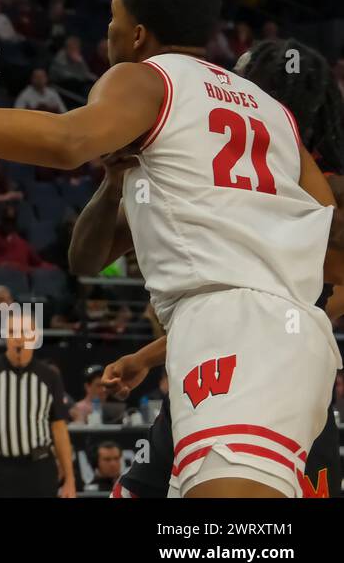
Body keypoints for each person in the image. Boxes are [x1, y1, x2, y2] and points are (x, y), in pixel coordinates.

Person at [0, 0, 344, 498]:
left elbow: (65, 141)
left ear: (138, 34)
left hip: (230, 327)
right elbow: (324, 219)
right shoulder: (273, 113)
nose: (108, 32)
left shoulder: (146, 78)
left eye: (114, 19)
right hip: (295, 337)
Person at [97, 38, 344, 500]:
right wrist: (147, 358)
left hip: (268, 381)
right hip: (232, 363)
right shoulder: (277, 180)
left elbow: (267, 310)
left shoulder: (305, 191)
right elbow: (251, 307)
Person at [0, 313, 75, 497]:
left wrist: (70, 479)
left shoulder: (49, 375)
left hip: (39, 468)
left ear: (35, 336)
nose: (18, 338)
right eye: (12, 332)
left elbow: (59, 428)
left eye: (24, 332)